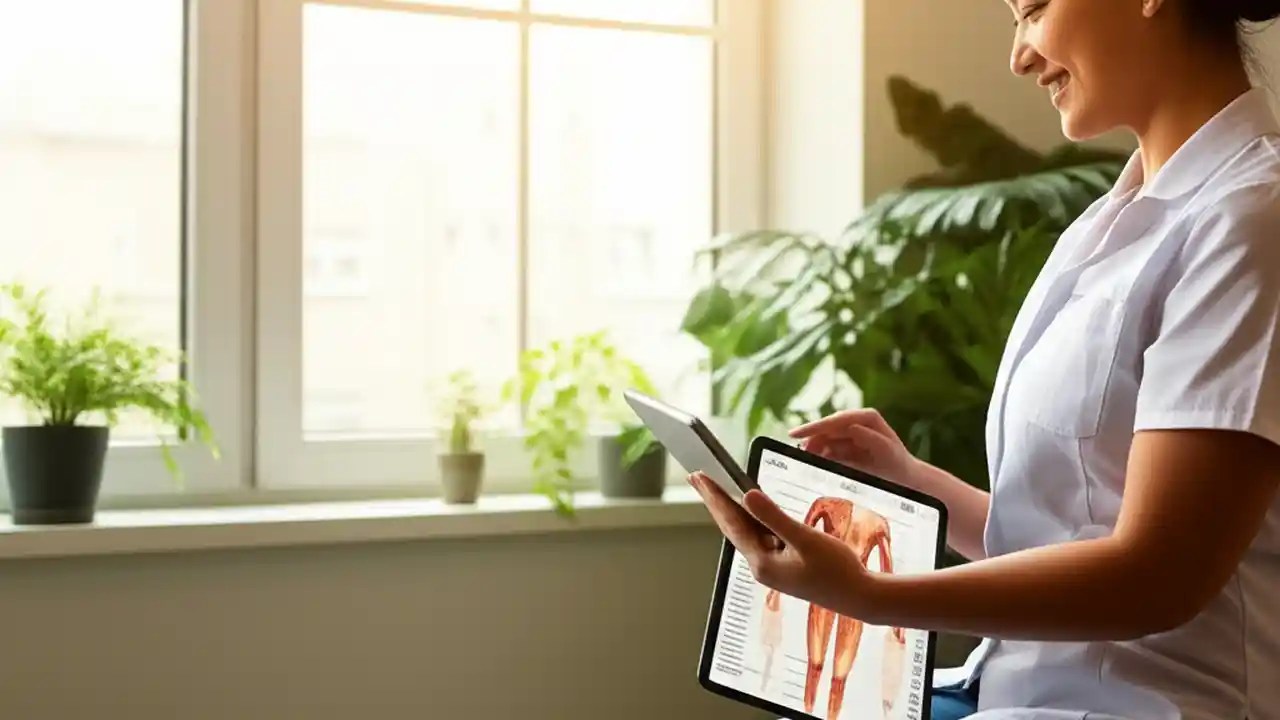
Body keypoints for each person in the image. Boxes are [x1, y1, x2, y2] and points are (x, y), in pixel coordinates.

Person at [688, 0, 1280, 718]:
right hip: (1012, 690)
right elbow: (1068, 530)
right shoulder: (1108, 223)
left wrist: (872, 598)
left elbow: (1159, 574)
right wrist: (914, 480)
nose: (1020, 56)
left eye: (1032, 11)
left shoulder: (1250, 223)